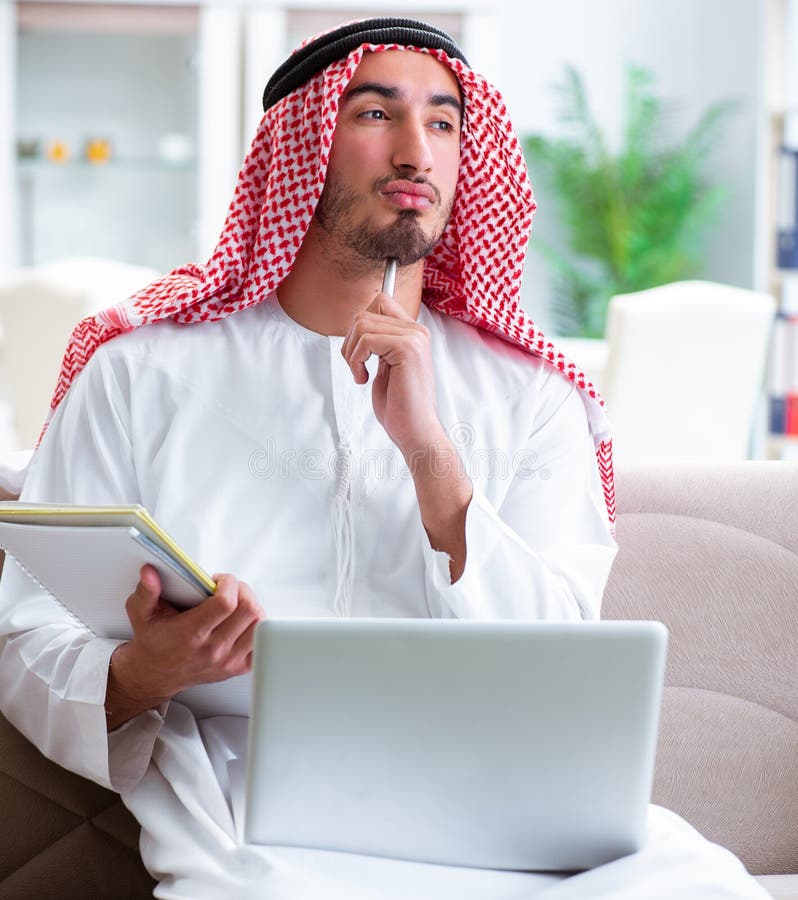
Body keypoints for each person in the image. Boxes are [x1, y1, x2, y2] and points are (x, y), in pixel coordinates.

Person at [0, 18, 769, 900]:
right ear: (302, 145)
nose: (417, 152)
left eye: (444, 123)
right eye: (376, 113)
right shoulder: (140, 372)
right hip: (257, 819)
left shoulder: (530, 391)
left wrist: (432, 457)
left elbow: (564, 655)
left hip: (518, 799)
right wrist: (146, 672)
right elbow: (26, 630)